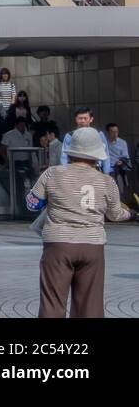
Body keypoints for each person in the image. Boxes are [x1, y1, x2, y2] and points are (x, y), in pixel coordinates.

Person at [28, 126, 134, 317]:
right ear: (97, 155)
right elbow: (116, 214)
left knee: (53, 302)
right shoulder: (106, 181)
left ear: (71, 152)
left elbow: (32, 203)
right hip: (93, 245)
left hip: (58, 244)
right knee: (90, 306)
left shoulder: (52, 173)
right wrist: (132, 214)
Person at [60, 107, 112, 175]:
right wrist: (65, 173)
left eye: (85, 118)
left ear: (91, 119)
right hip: (75, 171)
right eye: (80, 118)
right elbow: (64, 157)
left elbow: (105, 154)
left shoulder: (99, 134)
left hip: (95, 170)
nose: (82, 121)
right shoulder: (70, 136)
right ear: (76, 119)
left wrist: (106, 173)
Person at [106, 123, 131, 198]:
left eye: (116, 131)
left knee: (119, 190)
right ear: (108, 132)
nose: (115, 134)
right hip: (107, 170)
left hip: (118, 170)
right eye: (112, 132)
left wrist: (121, 161)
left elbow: (126, 156)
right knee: (108, 192)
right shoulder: (104, 143)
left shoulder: (122, 142)